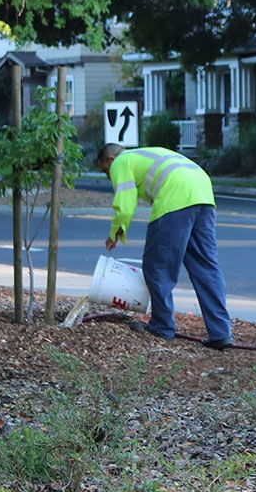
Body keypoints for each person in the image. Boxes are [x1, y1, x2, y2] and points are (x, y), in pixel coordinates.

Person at [96, 143, 233, 350]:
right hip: (203, 192)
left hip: (175, 198)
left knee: (157, 266)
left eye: (105, 171)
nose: (109, 177)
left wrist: (116, 231)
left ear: (110, 160)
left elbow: (124, 203)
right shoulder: (147, 153)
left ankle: (162, 326)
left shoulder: (121, 162)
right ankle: (221, 333)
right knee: (205, 266)